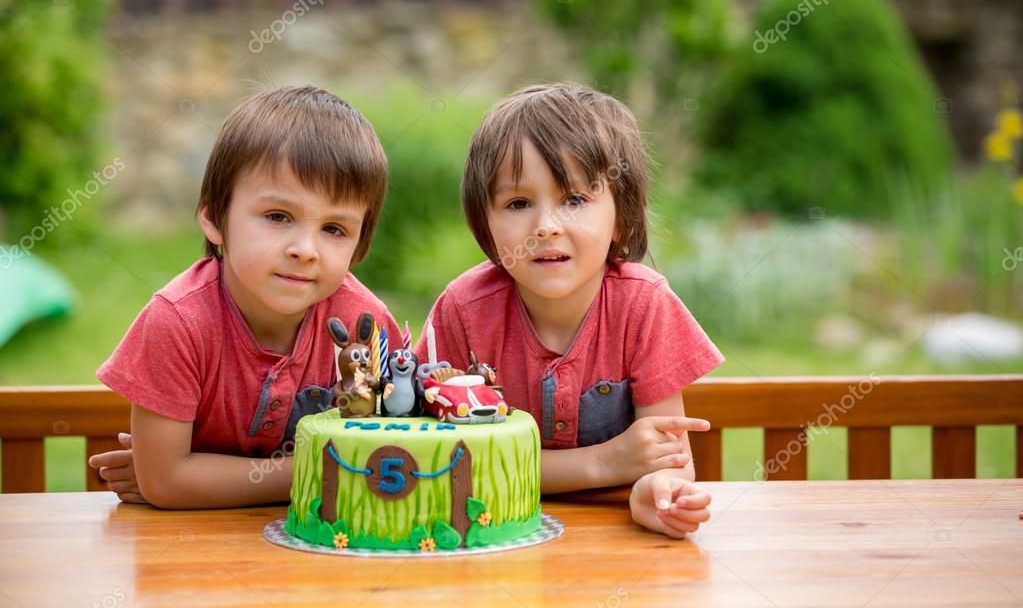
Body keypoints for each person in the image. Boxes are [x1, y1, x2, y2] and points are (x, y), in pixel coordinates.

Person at [415, 84, 724, 538]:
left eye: (575, 200)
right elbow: (441, 462)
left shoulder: (644, 305)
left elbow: (668, 461)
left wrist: (658, 494)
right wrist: (605, 462)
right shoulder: (463, 311)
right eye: (518, 203)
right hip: (484, 541)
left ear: (623, 217)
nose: (545, 227)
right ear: (485, 221)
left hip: (609, 549)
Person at [88, 86, 399, 508]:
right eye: (277, 217)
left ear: (359, 247)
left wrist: (197, 478)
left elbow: (391, 457)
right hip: (190, 556)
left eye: (334, 229)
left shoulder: (366, 324)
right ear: (215, 219)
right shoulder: (178, 323)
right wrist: (324, 471)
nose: (305, 249)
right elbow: (165, 481)